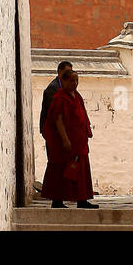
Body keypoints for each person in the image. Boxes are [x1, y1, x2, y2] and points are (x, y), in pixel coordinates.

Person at [40, 68, 97, 209]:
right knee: (60, 169)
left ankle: (82, 199)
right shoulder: (59, 97)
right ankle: (57, 200)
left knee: (81, 169)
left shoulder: (77, 96)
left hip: (78, 140)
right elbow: (57, 120)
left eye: (76, 80)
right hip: (64, 141)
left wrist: (87, 131)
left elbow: (82, 114)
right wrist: (65, 139)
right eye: (71, 80)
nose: (75, 83)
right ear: (63, 81)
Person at [39, 60, 72, 135]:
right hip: (53, 130)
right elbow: (55, 114)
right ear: (60, 71)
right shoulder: (53, 88)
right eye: (67, 72)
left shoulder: (66, 86)